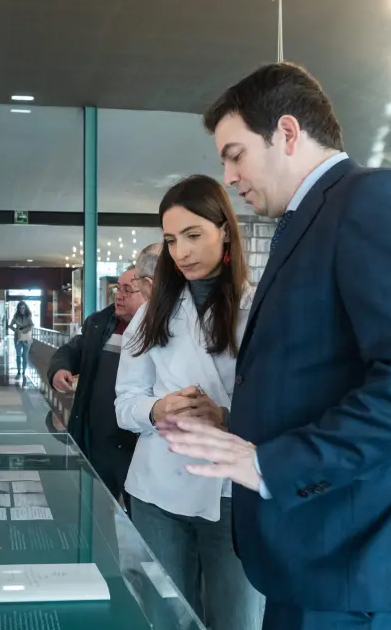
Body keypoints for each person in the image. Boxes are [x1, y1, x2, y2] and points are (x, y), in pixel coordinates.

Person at [163, 62, 391, 630]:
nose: (228, 177)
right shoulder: (311, 219)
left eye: (234, 154)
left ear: (286, 133)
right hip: (319, 556)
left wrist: (272, 464)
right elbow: (323, 376)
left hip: (361, 563)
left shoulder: (379, 199)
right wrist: (235, 423)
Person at [116, 175, 264, 630]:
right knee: (164, 615)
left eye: (193, 235)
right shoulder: (151, 312)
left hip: (232, 492)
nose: (181, 252)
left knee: (236, 617)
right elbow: (125, 405)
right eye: (171, 240)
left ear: (225, 231)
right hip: (158, 488)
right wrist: (157, 409)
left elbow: (285, 407)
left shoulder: (257, 305)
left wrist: (224, 417)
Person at [47, 267, 146, 504]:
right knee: (96, 514)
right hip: (97, 441)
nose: (118, 296)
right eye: (117, 289)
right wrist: (60, 369)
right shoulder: (100, 323)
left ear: (149, 293)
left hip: (138, 446)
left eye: (127, 290)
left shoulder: (160, 330)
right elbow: (72, 351)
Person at [8, 301, 34, 383]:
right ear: (18, 309)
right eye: (20, 308)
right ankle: (18, 372)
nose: (22, 309)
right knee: (18, 355)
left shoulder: (28, 316)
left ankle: (23, 372)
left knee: (25, 355)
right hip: (18, 338)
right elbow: (10, 325)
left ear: (25, 308)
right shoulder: (16, 316)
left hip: (26, 338)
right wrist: (16, 331)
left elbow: (32, 325)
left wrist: (24, 330)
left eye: (23, 308)